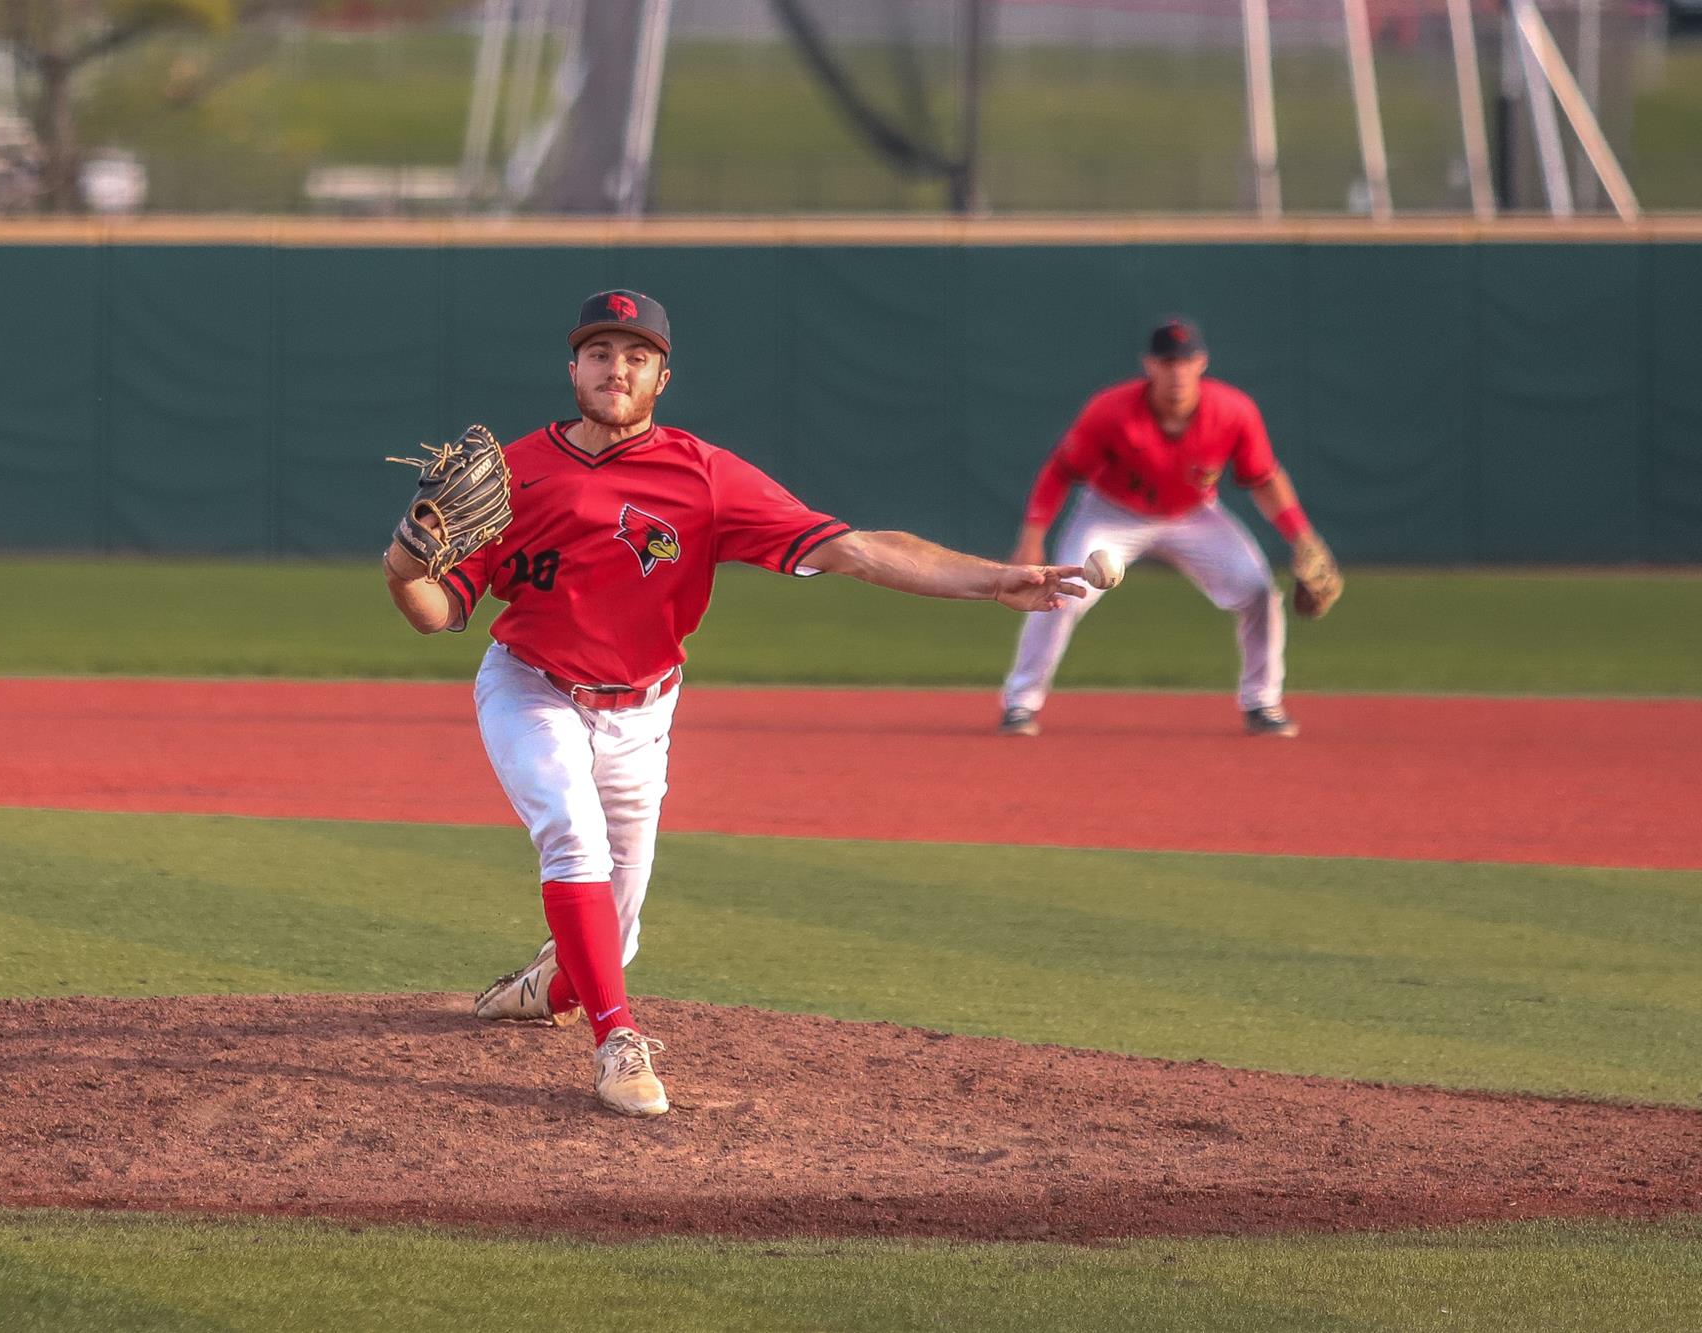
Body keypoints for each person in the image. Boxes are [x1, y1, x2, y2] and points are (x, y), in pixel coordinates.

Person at [383, 289, 1087, 1118]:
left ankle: (550, 986)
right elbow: (439, 613)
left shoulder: (704, 476)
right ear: (572, 366)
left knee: (613, 935)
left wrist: (993, 578)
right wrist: (403, 566)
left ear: (662, 376)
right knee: (572, 837)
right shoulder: (513, 472)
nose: (618, 369)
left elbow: (854, 548)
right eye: (601, 352)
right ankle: (617, 1043)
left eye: (636, 355)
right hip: (532, 687)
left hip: (643, 714)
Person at [998, 316, 1332, 740]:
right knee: (1060, 595)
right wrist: (1031, 539)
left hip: (1193, 514)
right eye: (1167, 360)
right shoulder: (1111, 411)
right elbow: (1060, 471)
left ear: (1202, 363)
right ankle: (1020, 703)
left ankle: (1262, 703)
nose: (1177, 370)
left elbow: (1264, 478)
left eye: (1186, 360)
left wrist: (1302, 536)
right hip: (1112, 513)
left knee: (1259, 590)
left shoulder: (1233, 411)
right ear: (1149, 365)